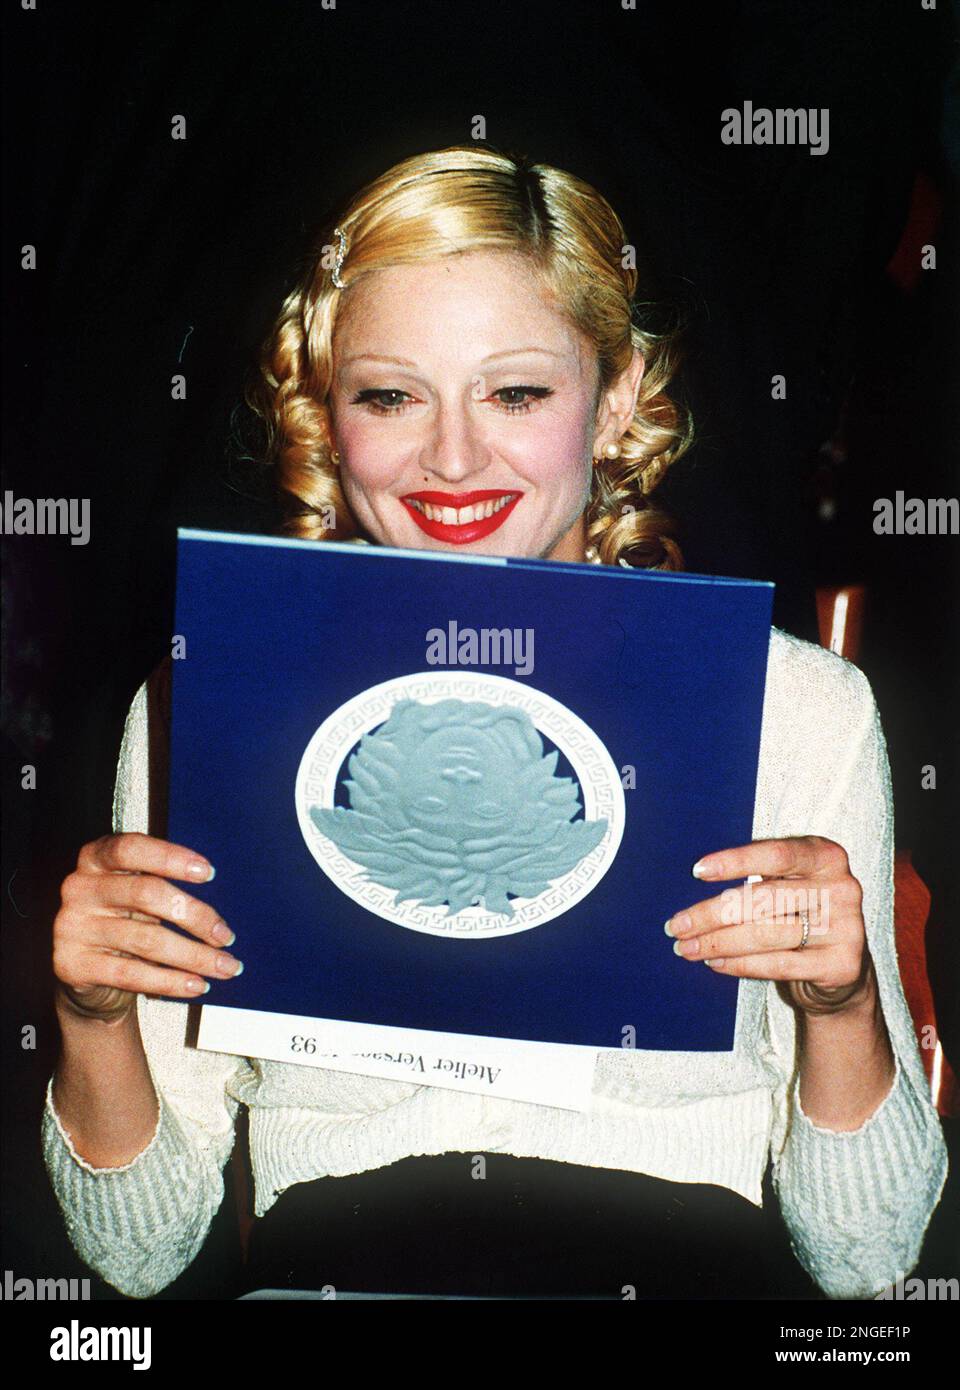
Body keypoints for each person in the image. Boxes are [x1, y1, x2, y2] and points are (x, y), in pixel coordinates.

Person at [43, 147, 947, 1300]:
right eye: (389, 394)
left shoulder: (798, 707)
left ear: (616, 399)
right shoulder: (203, 702)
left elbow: (866, 1261)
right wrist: (92, 1015)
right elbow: (137, 1254)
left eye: (515, 393)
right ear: (328, 413)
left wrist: (844, 1003)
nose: (454, 456)